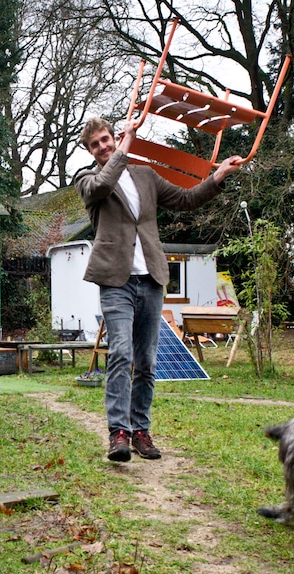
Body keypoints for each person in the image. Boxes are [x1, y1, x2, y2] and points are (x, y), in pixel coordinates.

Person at [75, 113, 244, 462]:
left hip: (151, 278)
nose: (104, 146)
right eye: (97, 145)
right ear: (91, 151)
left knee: (147, 361)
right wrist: (125, 147)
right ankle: (118, 433)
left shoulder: (145, 175)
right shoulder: (88, 179)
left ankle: (141, 431)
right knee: (121, 352)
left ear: (113, 135)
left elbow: (186, 199)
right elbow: (104, 187)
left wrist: (218, 176)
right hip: (115, 280)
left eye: (107, 139)